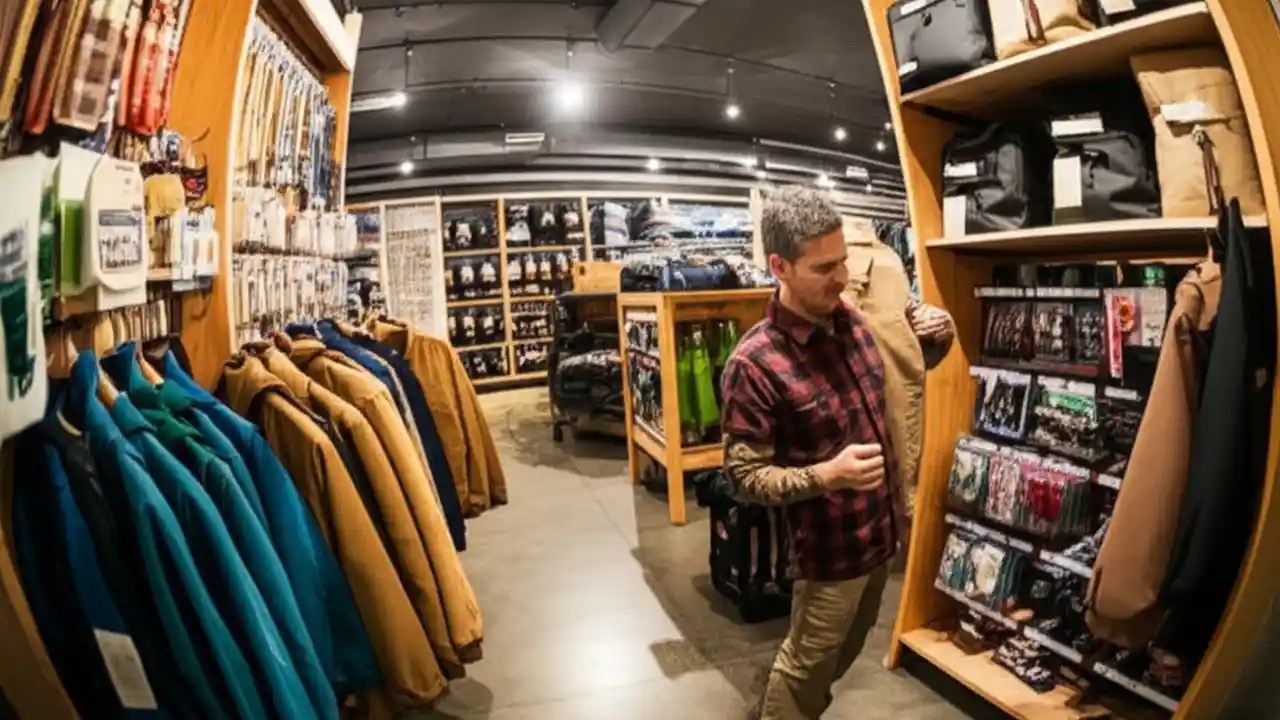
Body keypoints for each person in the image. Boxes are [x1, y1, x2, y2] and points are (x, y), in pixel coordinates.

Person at [721, 187, 953, 720]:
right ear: (779, 265)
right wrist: (827, 475)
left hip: (882, 533)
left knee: (840, 657)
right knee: (805, 668)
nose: (843, 278)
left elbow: (899, 381)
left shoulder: (851, 321)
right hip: (830, 554)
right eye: (824, 267)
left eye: (843, 262)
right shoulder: (755, 364)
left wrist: (937, 335)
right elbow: (743, 478)